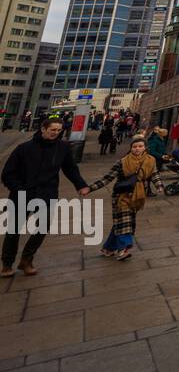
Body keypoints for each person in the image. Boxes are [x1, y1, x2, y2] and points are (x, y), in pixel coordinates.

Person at [2, 117, 91, 276]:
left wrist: (81, 185)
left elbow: (70, 168)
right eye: (53, 130)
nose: (56, 133)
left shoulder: (62, 148)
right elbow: (8, 173)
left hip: (47, 194)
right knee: (14, 231)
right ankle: (7, 264)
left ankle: (27, 260)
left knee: (42, 228)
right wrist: (19, 189)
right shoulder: (24, 148)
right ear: (43, 129)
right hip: (22, 194)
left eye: (58, 130)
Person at [85, 136, 162, 260]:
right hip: (122, 196)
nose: (137, 149)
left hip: (138, 196)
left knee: (121, 223)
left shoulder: (150, 160)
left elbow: (154, 174)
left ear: (145, 148)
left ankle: (108, 249)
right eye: (134, 147)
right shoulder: (122, 162)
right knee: (126, 222)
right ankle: (123, 249)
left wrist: (159, 185)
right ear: (131, 148)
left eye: (140, 146)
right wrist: (90, 188)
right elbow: (107, 178)